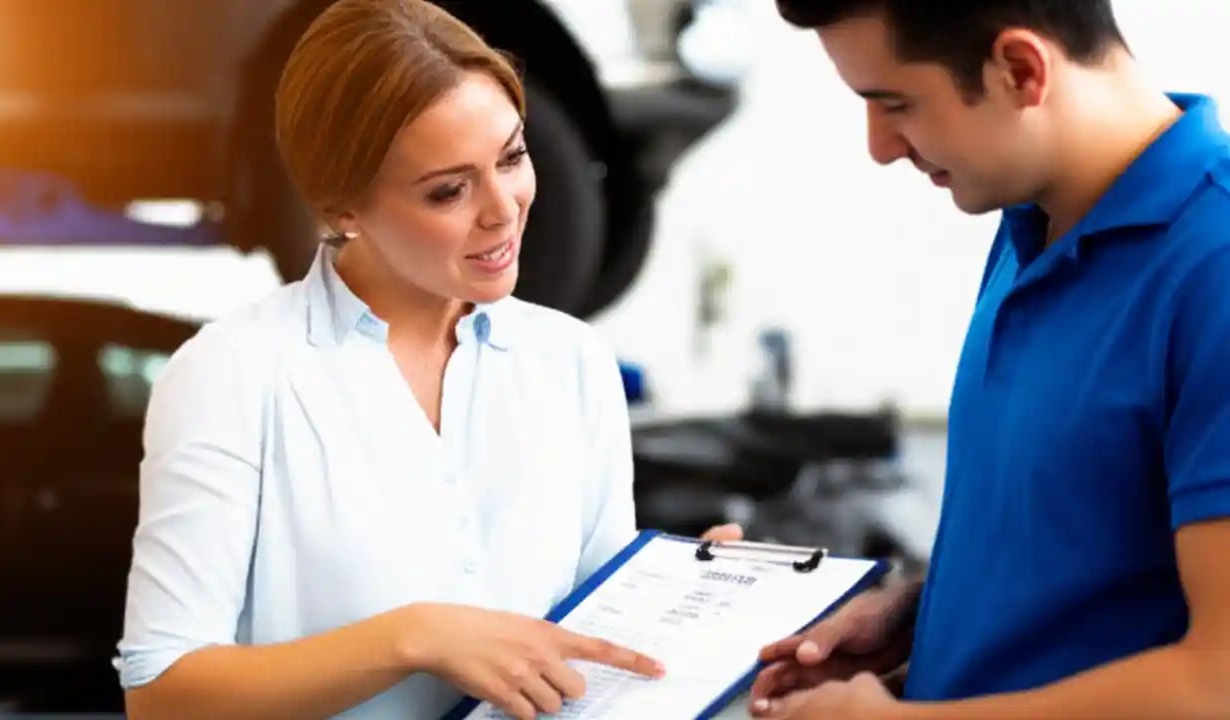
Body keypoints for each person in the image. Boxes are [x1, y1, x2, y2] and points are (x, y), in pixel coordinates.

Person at [113, 1, 741, 718]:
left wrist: (684, 600)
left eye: (512, 157)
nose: (503, 208)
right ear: (342, 207)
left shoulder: (572, 363)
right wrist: (412, 637)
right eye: (449, 190)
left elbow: (592, 649)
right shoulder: (232, 374)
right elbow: (162, 695)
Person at [747, 1, 1230, 719]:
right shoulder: (1033, 223)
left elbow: (1217, 682)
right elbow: (1087, 541)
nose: (880, 147)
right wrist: (925, 617)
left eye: (895, 104)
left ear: (1019, 69)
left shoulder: (1214, 267)